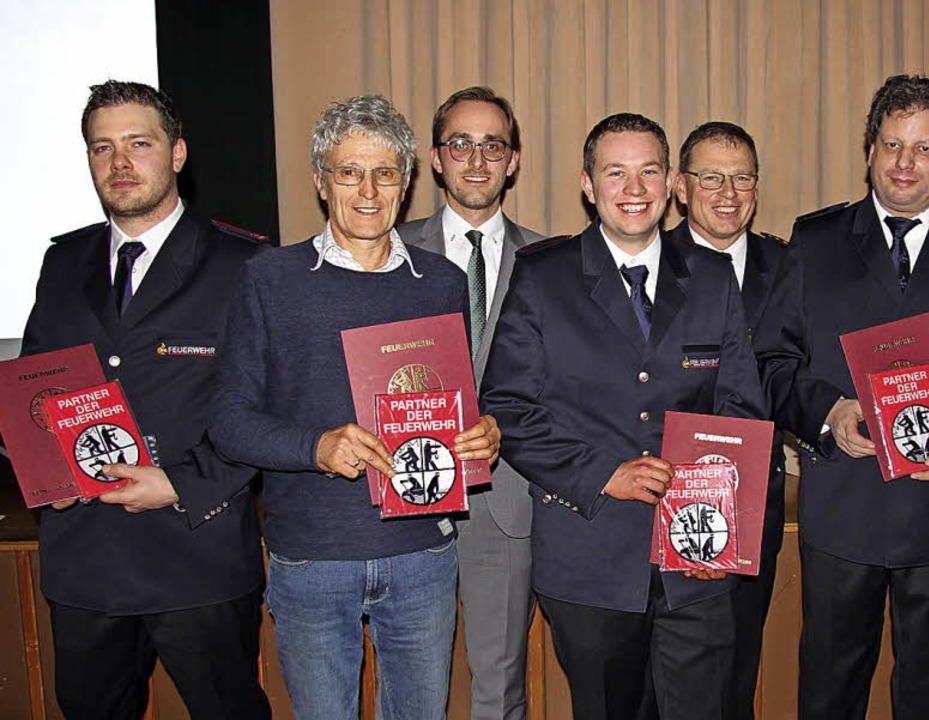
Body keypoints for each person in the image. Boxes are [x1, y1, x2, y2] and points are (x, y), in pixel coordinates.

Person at [755, 74, 929, 720]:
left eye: (922, 148)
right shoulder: (815, 241)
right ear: (868, 151)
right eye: (890, 145)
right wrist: (827, 411)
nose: (904, 163)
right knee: (828, 695)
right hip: (842, 513)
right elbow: (771, 363)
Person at [208, 94, 500, 720]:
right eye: (348, 172)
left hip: (424, 552)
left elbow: (456, 402)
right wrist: (316, 447)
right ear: (321, 181)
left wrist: (482, 435)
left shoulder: (443, 281)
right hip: (312, 557)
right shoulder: (270, 278)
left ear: (407, 181)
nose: (368, 190)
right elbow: (228, 419)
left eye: (385, 172)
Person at [481, 112, 766, 720]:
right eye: (616, 173)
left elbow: (742, 406)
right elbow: (508, 407)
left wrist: (711, 483)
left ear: (671, 184)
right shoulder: (543, 274)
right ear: (588, 185)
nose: (634, 190)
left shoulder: (714, 279)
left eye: (648, 172)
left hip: (699, 559)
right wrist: (603, 473)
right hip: (591, 557)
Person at [20, 80, 270, 720]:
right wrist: (44, 465)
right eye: (101, 148)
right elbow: (32, 387)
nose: (119, 163)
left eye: (138, 143)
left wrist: (183, 484)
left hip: (196, 555)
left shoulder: (244, 266)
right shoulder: (62, 262)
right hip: (86, 561)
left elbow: (273, 408)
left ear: (178, 154)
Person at [395, 86, 542, 720]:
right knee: (407, 688)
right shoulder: (385, 250)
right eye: (461, 144)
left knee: (499, 687)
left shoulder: (551, 260)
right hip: (399, 498)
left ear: (513, 160)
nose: (476, 159)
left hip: (504, 504)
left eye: (493, 145)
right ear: (435, 157)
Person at [666, 121, 788, 720]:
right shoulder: (644, 262)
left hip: (756, 498)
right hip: (667, 499)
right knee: (669, 675)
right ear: (680, 189)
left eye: (742, 178)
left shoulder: (790, 265)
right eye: (710, 177)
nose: (727, 192)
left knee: (739, 664)